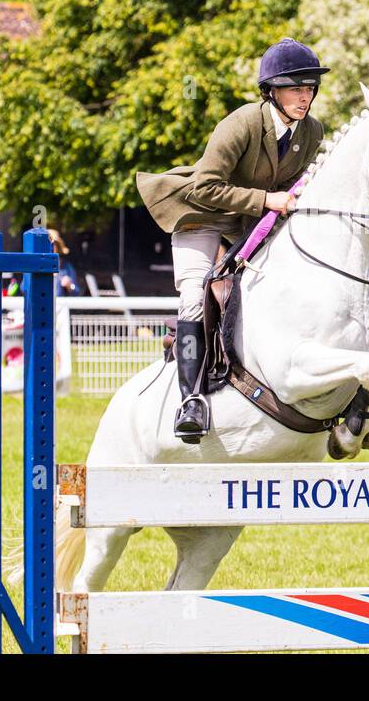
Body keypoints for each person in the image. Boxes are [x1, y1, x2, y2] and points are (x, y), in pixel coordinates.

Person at [136, 38, 327, 442]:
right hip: (201, 214)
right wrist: (266, 199)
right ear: (271, 92)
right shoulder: (240, 123)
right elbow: (205, 188)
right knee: (193, 292)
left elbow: (294, 186)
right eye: (295, 87)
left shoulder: (311, 132)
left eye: (309, 88)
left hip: (249, 222)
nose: (303, 96)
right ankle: (191, 401)